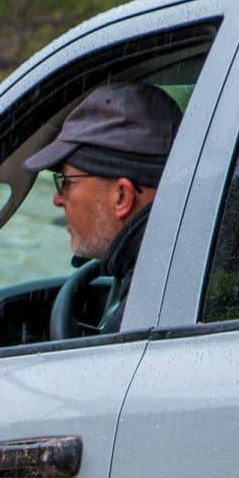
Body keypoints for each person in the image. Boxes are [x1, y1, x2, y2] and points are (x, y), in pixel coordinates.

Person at [24, 83, 184, 330]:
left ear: (121, 196)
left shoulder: (146, 316)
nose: (57, 199)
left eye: (66, 182)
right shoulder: (183, 266)